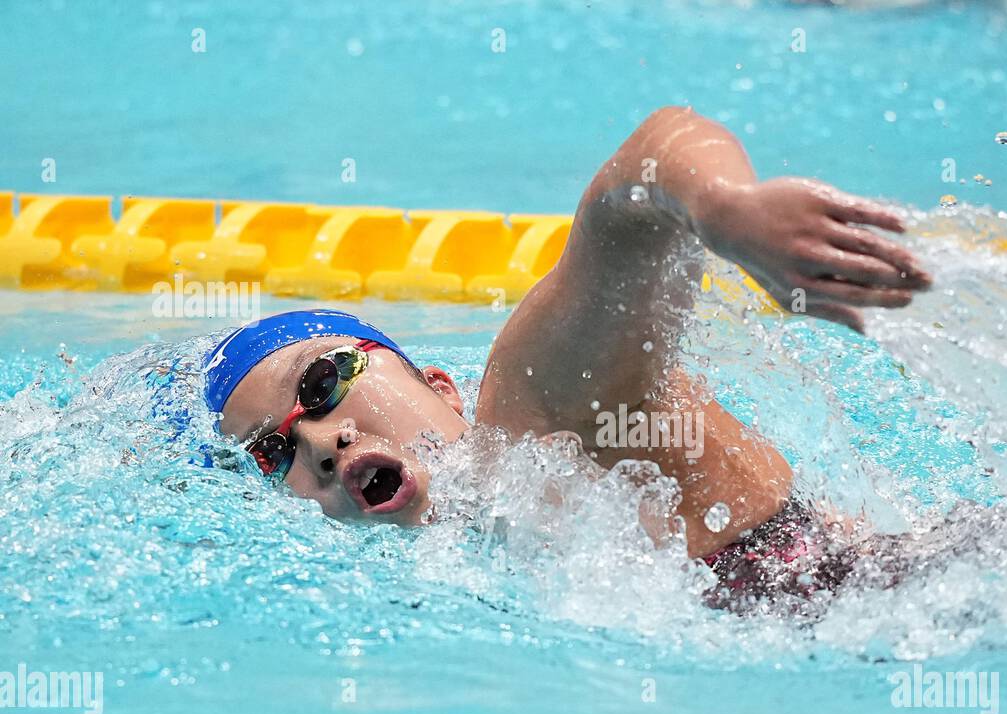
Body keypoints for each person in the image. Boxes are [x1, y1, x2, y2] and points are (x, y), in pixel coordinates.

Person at [203, 107, 933, 609]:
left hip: (914, 595)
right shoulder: (466, 576)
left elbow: (644, 166)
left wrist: (725, 208)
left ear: (442, 387)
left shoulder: (531, 413)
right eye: (272, 453)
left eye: (322, 382)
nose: (319, 443)